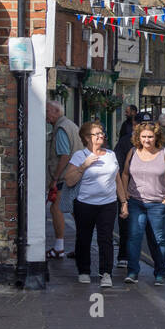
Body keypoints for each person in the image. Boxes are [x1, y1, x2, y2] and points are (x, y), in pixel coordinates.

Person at [119, 121, 165, 285]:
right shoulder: (132, 152)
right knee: (134, 237)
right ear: (138, 137)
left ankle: (160, 273)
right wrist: (125, 195)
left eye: (150, 137)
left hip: (157, 204)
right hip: (136, 202)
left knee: (158, 239)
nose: (147, 140)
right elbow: (125, 174)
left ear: (156, 137)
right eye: (144, 137)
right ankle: (132, 272)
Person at [63, 121, 121, 287]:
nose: (101, 135)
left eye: (102, 133)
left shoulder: (111, 155)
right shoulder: (79, 156)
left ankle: (106, 273)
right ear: (87, 138)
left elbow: (117, 179)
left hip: (108, 204)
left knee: (106, 239)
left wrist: (123, 201)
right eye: (97, 134)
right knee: (84, 238)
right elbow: (69, 180)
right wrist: (84, 166)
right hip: (85, 204)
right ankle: (84, 271)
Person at [45, 101, 80, 259]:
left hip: (65, 177)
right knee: (75, 212)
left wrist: (55, 178)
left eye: (47, 110)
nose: (45, 114)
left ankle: (59, 247)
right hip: (75, 175)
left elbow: (64, 156)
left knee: (56, 209)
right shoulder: (70, 125)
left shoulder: (61, 128)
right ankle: (82, 246)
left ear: (56, 111)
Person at [113, 111, 136, 269]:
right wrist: (123, 195)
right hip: (127, 191)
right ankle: (123, 255)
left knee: (153, 230)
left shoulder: (157, 142)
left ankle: (161, 261)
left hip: (150, 194)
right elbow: (120, 170)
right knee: (125, 224)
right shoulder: (124, 142)